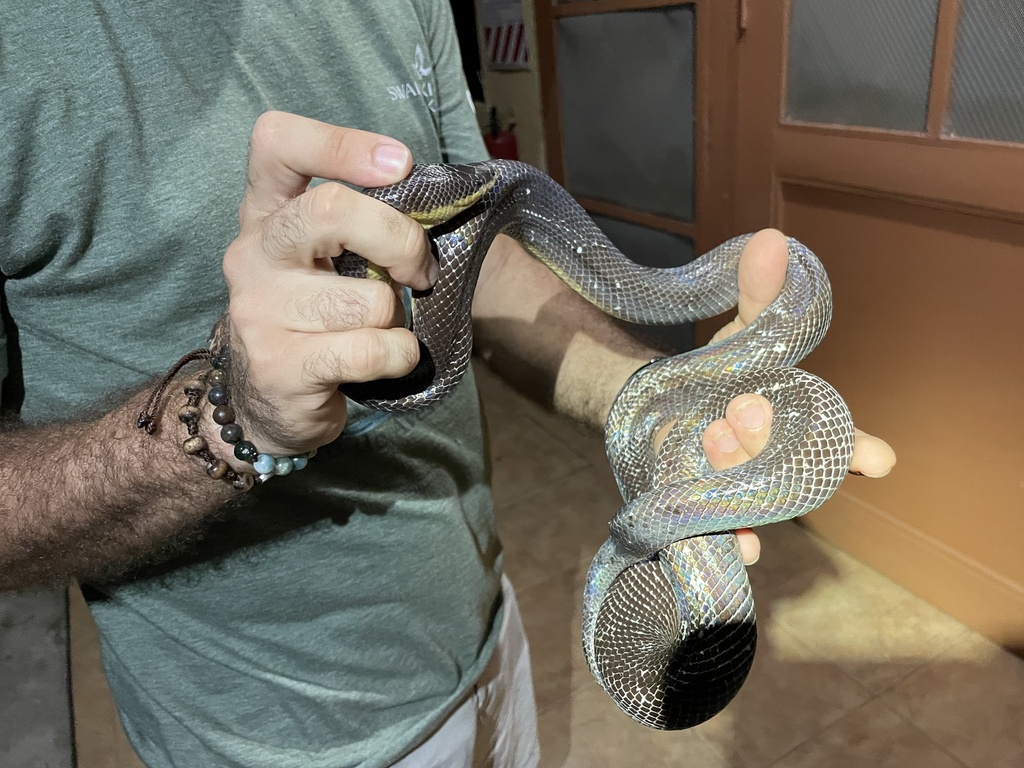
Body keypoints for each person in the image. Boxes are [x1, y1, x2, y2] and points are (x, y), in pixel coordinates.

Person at [0, 1, 895, 766]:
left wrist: (652, 406)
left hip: (486, 631)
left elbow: (479, 249)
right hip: (273, 732)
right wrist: (232, 418)